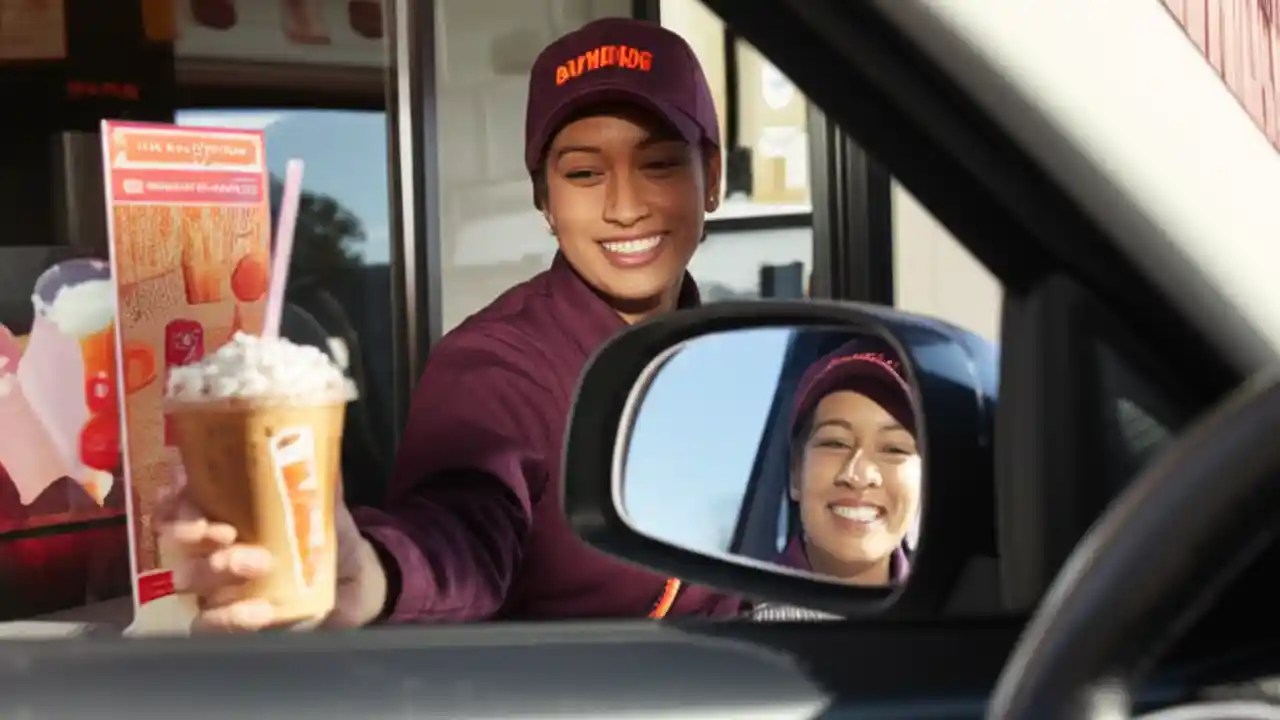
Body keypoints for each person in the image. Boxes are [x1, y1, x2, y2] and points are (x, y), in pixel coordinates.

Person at [161, 17, 742, 631]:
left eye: (659, 165)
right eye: (583, 174)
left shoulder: (743, 354)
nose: (626, 207)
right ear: (545, 200)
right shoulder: (496, 365)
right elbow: (464, 529)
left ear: (713, 176)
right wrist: (375, 571)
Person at [776, 339, 921, 587]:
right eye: (836, 443)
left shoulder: (956, 613)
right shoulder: (711, 607)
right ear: (796, 473)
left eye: (894, 449)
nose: (859, 475)